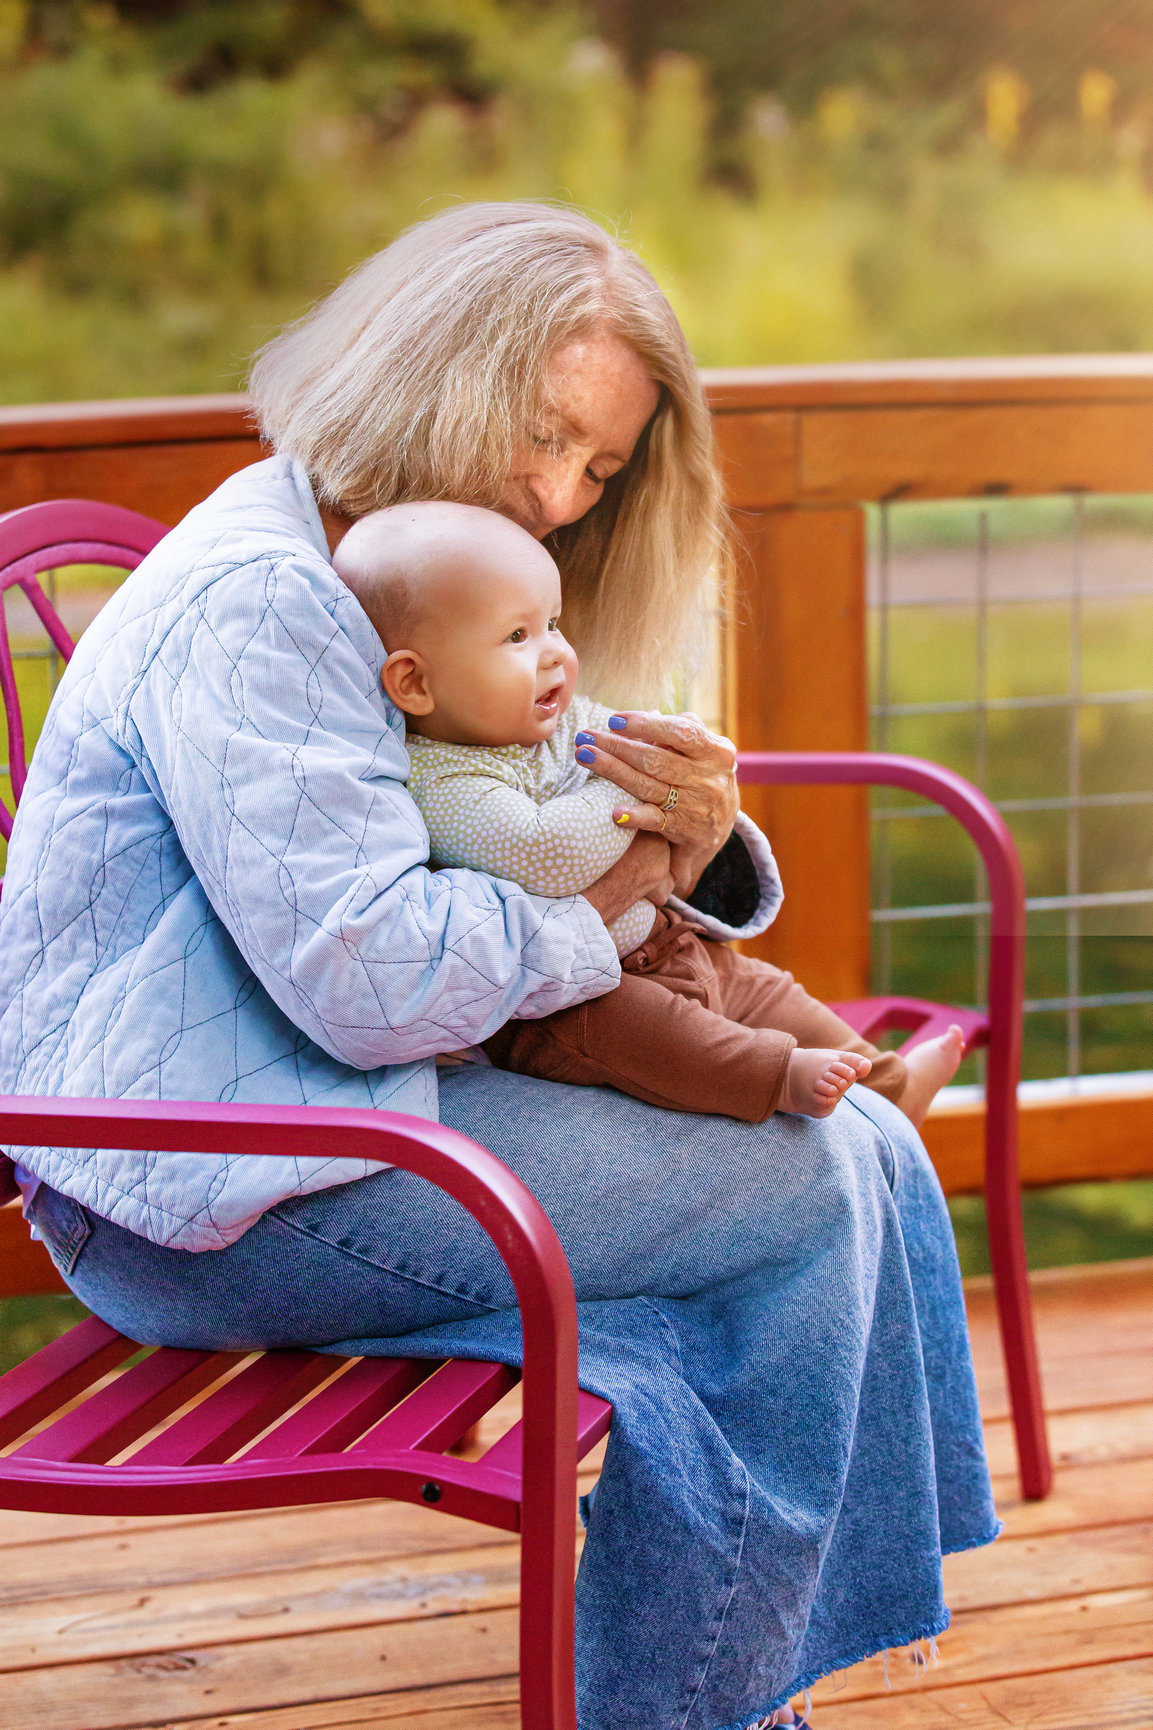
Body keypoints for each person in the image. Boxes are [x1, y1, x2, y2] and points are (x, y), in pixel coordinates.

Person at [0, 202, 998, 1730]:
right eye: (543, 435)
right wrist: (614, 899)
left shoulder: (420, 566)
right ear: (433, 371)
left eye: (599, 467)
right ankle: (701, 1704)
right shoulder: (267, 602)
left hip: (367, 1104)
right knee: (806, 1186)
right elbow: (377, 983)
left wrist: (694, 826)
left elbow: (533, 844)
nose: (559, 492)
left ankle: (721, 1676)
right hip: (220, 1180)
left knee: (847, 1144)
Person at [332, 499, 966, 1124]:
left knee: (763, 987)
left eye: (554, 623)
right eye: (517, 636)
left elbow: (639, 746)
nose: (555, 653)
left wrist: (669, 761)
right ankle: (779, 1077)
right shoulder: (444, 778)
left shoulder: (548, 723)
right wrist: (636, 788)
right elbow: (549, 854)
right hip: (571, 1000)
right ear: (415, 683)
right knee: (653, 1036)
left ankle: (891, 1086)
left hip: (661, 941)